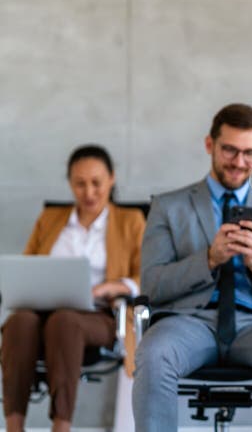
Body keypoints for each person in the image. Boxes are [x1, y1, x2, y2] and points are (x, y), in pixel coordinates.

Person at [132, 103, 252, 432]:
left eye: (249, 153)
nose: (239, 162)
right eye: (230, 150)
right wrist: (208, 259)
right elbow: (153, 284)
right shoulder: (168, 207)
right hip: (188, 324)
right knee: (154, 352)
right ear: (210, 145)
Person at [1, 145, 144, 432]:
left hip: (100, 316)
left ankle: (61, 427)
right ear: (70, 183)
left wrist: (111, 286)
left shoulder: (130, 221)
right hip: (42, 310)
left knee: (64, 321)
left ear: (112, 179)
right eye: (80, 184)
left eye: (96, 183)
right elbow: (28, 266)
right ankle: (14, 425)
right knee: (19, 321)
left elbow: (147, 275)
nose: (88, 192)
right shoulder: (50, 219)